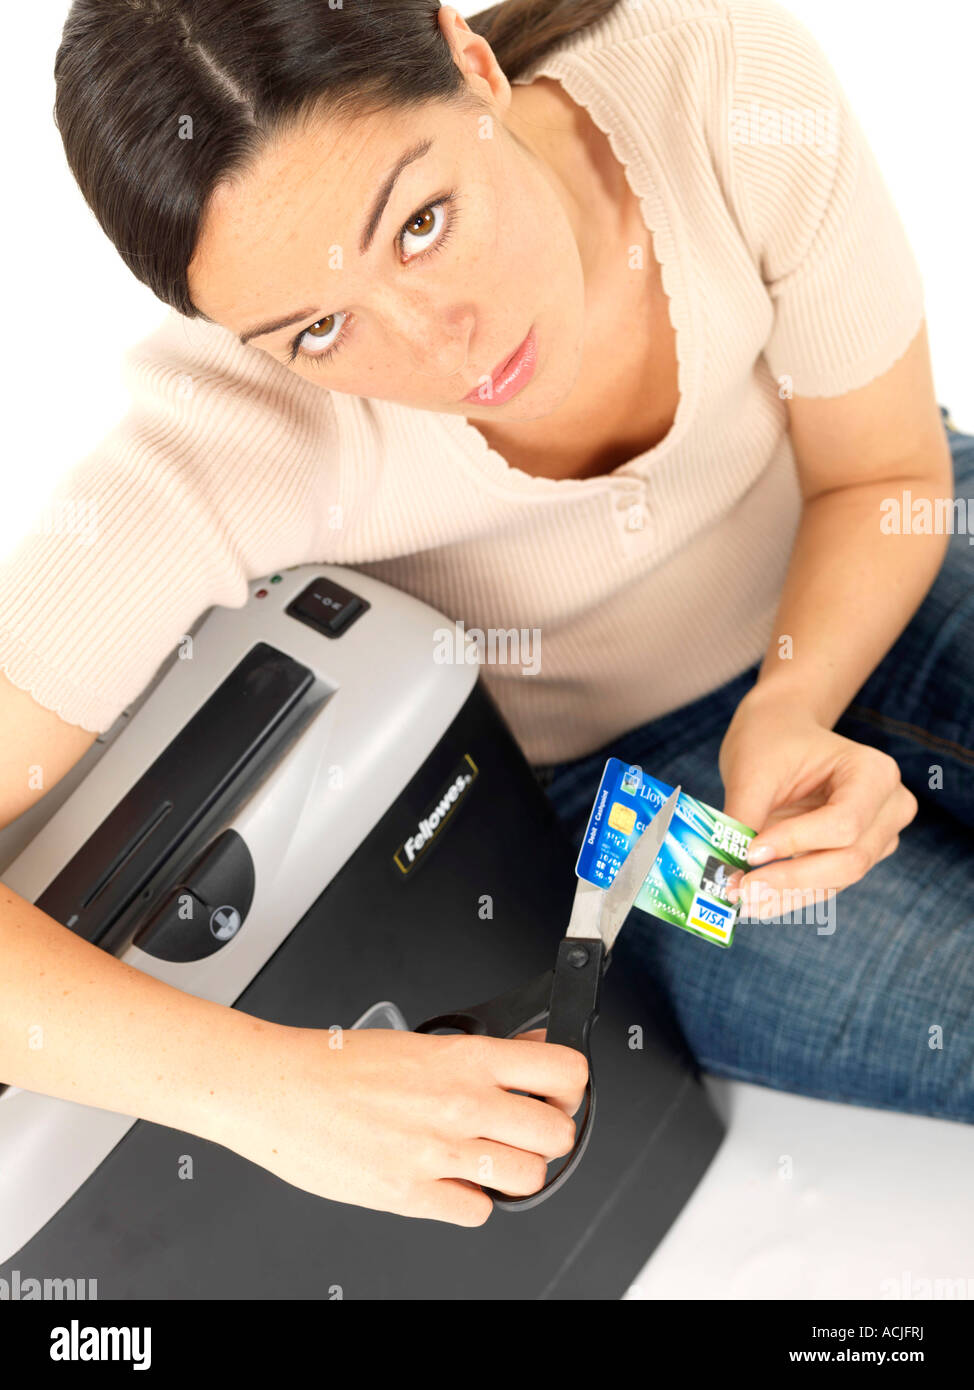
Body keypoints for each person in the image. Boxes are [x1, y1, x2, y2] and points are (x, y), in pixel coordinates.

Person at [0, 0, 969, 1231]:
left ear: (470, 65)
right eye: (318, 328)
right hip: (612, 810)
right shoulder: (223, 443)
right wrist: (274, 1091)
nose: (437, 341)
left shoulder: (721, 80)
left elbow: (878, 476)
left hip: (864, 563)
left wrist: (793, 698)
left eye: (420, 221)